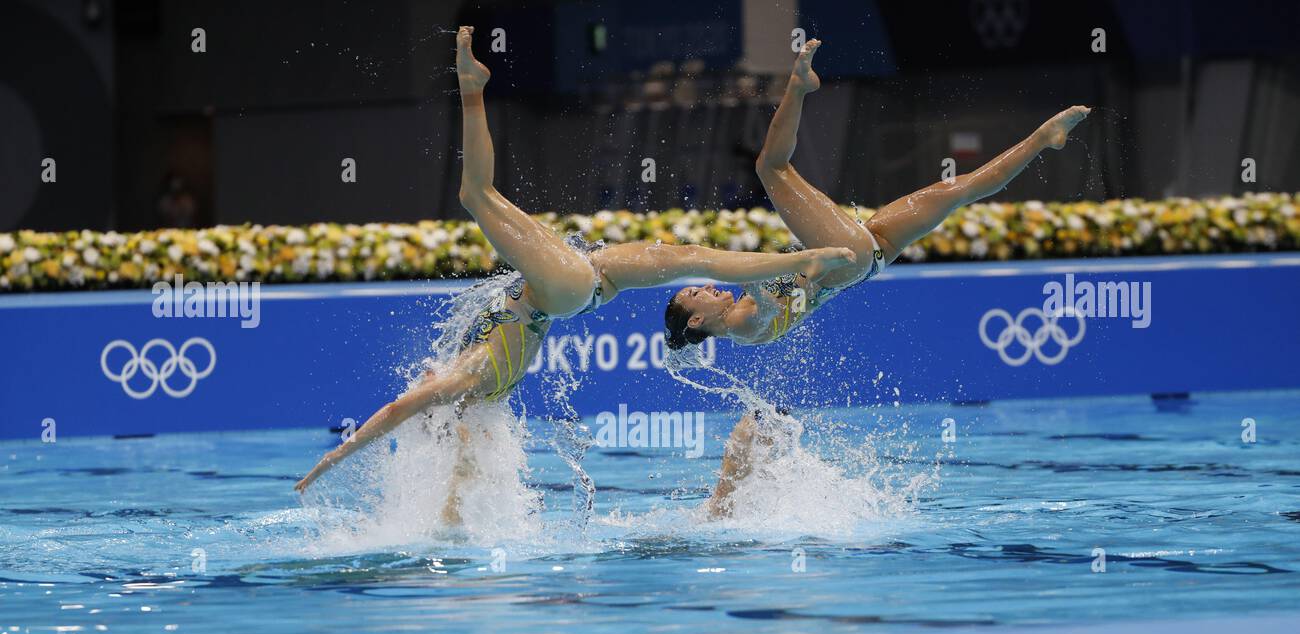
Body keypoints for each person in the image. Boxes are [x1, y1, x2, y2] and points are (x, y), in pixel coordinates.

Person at [295, 26, 857, 492]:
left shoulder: (478, 386)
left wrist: (335, 461)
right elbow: (400, 410)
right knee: (697, 256)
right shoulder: (469, 378)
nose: (426, 375)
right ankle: (471, 88)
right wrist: (331, 461)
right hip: (570, 285)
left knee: (476, 194)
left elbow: (413, 416)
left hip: (577, 284)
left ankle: (472, 88)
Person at [664, 39, 1091, 352]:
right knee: (770, 167)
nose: (705, 285)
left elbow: (787, 294)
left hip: (869, 258)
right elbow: (770, 309)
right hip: (847, 255)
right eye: (695, 294)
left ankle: (1043, 138)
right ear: (698, 319)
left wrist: (760, 274)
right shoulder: (738, 326)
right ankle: (798, 87)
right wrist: (751, 274)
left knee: (958, 189)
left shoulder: (736, 315)